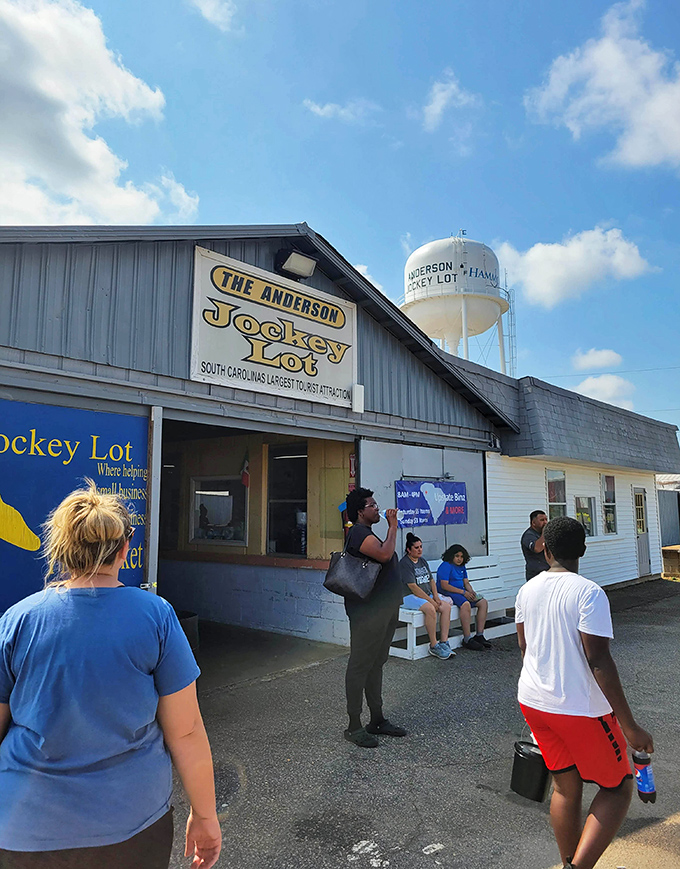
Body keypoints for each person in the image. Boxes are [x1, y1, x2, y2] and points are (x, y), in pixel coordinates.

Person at [0, 480, 222, 869]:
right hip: (132, 826)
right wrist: (205, 816)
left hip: (23, 828)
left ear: (61, 547)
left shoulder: (18, 621)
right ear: (125, 548)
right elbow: (185, 731)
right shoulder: (157, 617)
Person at [515, 516, 653, 869]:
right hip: (577, 707)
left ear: (544, 548)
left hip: (533, 700)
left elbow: (524, 648)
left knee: (566, 787)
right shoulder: (588, 592)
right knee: (619, 786)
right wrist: (630, 726)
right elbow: (599, 661)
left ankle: (567, 862)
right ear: (583, 551)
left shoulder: (527, 590)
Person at [343, 488, 407, 748]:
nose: (378, 508)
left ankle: (377, 719)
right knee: (360, 664)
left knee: (377, 662)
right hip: (367, 612)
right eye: (372, 505)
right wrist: (393, 526)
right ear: (361, 511)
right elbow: (384, 553)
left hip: (385, 608)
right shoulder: (358, 532)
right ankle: (354, 725)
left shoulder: (368, 532)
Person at [399, 532, 453, 660]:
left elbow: (431, 580)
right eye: (416, 548)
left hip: (426, 595)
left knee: (445, 607)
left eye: (421, 547)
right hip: (408, 597)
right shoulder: (405, 563)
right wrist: (431, 601)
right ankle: (433, 645)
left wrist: (436, 597)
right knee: (430, 608)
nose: (420, 550)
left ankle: (444, 642)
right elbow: (413, 587)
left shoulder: (422, 561)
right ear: (408, 550)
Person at [436, 545, 491, 650]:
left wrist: (472, 592)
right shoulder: (446, 566)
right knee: (465, 605)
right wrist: (463, 592)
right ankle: (467, 638)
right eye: (457, 556)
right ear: (451, 555)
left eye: (461, 556)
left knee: (483, 603)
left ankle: (479, 635)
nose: (459, 559)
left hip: (461, 592)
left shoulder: (462, 566)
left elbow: (466, 582)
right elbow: (444, 585)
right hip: (449, 593)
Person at [521, 509, 549, 580]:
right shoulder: (528, 535)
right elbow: (537, 548)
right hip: (535, 574)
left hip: (547, 572)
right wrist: (545, 532)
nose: (545, 522)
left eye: (546, 519)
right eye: (542, 520)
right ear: (533, 523)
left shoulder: (544, 534)